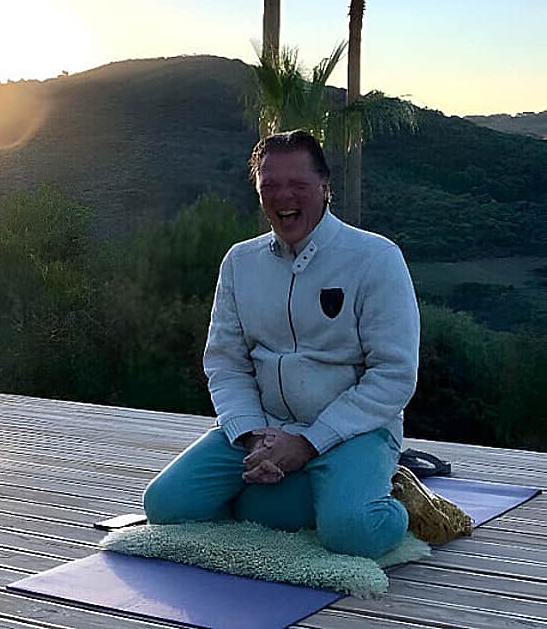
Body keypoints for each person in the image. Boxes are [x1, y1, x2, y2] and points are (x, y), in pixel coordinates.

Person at [141, 130, 469, 556]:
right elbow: (226, 363)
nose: (283, 197)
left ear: (324, 186)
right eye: (270, 186)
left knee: (352, 533)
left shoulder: (375, 258)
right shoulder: (240, 262)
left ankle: (400, 495)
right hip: (263, 426)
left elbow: (394, 374)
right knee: (166, 504)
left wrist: (309, 443)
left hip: (355, 430)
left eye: (298, 185)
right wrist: (253, 436)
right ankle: (301, 492)